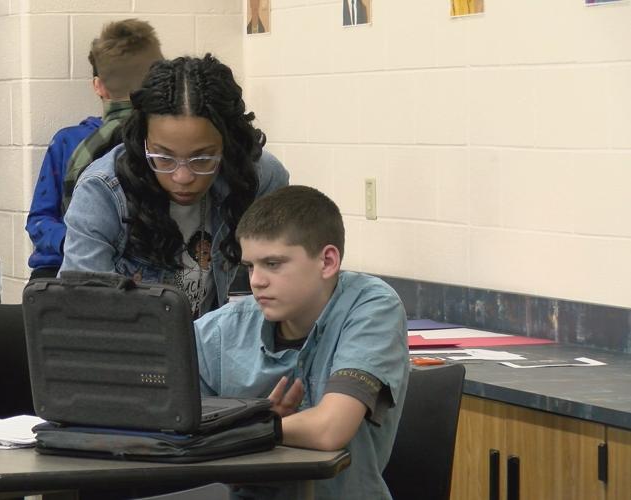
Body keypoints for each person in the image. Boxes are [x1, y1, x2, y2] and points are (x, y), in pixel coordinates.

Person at [194, 185, 409, 499]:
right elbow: (170, 430)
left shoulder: (372, 307)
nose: (256, 281)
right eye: (251, 266)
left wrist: (255, 430)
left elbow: (329, 429)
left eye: (273, 264)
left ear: (327, 262)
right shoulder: (222, 329)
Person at [60, 54, 289, 318]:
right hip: (130, 351)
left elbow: (282, 287)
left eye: (202, 158)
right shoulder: (102, 190)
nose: (182, 177)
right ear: (143, 140)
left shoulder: (260, 178)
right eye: (163, 157)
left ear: (227, 144)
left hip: (216, 350)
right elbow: (83, 310)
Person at [26, 18, 163, 279]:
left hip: (59, 274)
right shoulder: (168, 140)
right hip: (143, 278)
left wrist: (80, 241)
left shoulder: (68, 142)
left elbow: (39, 221)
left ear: (98, 85)